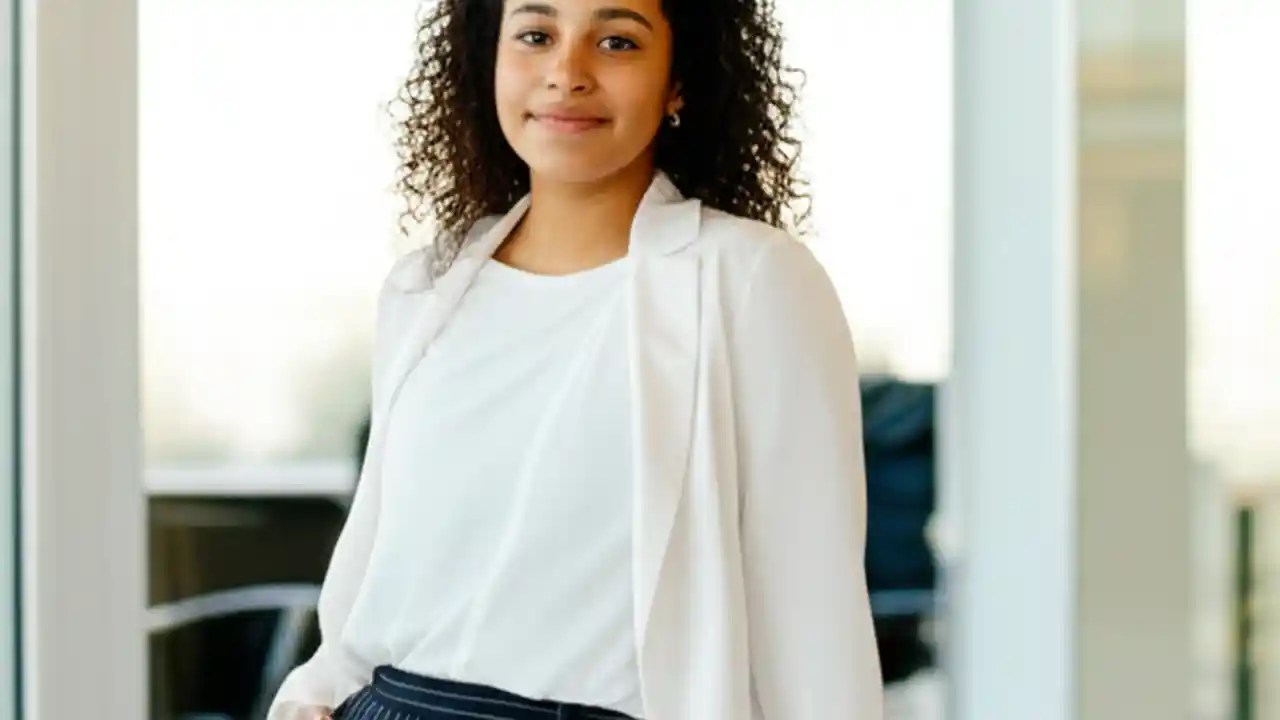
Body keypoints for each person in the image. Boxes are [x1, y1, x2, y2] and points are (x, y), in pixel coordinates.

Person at [268, 0, 883, 718]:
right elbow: (375, 565)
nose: (568, 73)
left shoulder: (749, 281)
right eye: (535, 36)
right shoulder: (423, 287)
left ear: (678, 81)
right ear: (488, 64)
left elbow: (812, 608)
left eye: (617, 42)